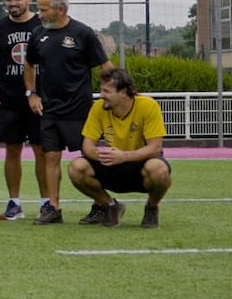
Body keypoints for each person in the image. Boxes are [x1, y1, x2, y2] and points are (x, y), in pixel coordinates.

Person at [23, 0, 113, 225]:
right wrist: (31, 94)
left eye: (43, 10)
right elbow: (28, 65)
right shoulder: (38, 34)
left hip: (79, 110)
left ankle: (102, 205)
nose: (39, 14)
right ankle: (53, 208)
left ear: (60, 9)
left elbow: (105, 66)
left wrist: (118, 93)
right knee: (51, 157)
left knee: (90, 157)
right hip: (48, 109)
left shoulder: (83, 33)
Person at [68, 66, 171, 227]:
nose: (101, 95)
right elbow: (87, 146)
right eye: (101, 90)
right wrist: (105, 155)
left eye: (106, 91)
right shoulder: (98, 107)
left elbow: (155, 148)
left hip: (140, 165)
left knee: (159, 170)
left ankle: (152, 207)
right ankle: (110, 205)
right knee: (76, 168)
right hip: (112, 164)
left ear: (123, 92)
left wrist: (124, 156)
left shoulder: (148, 105)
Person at [0, 0, 44, 220]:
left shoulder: (42, 24)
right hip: (9, 100)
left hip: (39, 100)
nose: (13, 3)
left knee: (42, 151)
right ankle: (14, 203)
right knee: (12, 150)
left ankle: (47, 203)